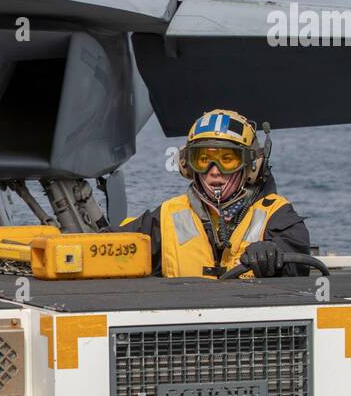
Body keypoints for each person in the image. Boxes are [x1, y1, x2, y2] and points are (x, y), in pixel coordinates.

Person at [117, 108, 311, 278]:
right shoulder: (165, 218)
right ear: (187, 166)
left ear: (251, 166)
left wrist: (273, 255)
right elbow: (113, 246)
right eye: (203, 159)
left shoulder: (277, 215)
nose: (214, 170)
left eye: (227, 159)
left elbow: (297, 258)